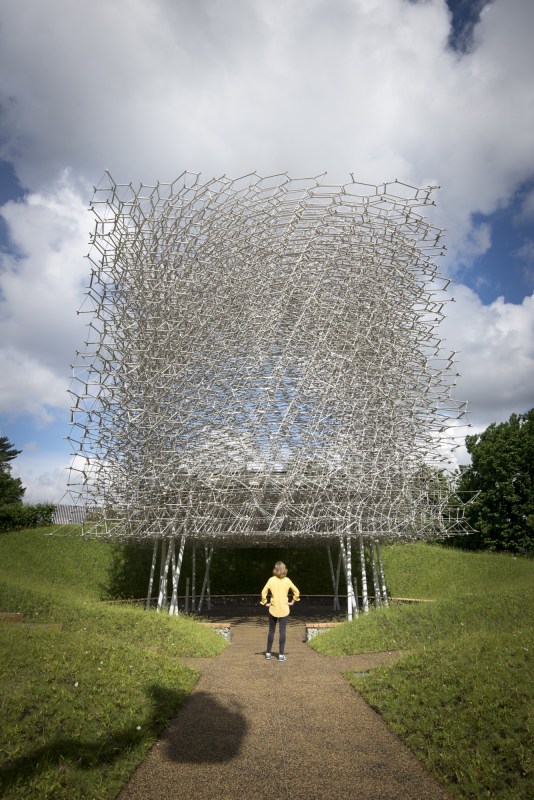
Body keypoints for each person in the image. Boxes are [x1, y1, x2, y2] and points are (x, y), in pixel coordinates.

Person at [260, 561, 300, 662]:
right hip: (284, 609)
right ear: (284, 569)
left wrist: (265, 602)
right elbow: (297, 591)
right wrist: (293, 601)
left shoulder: (271, 580)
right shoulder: (287, 580)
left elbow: (263, 592)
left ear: (275, 569)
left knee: (271, 631)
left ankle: (268, 653)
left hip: (273, 608)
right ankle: (281, 655)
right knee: (282, 632)